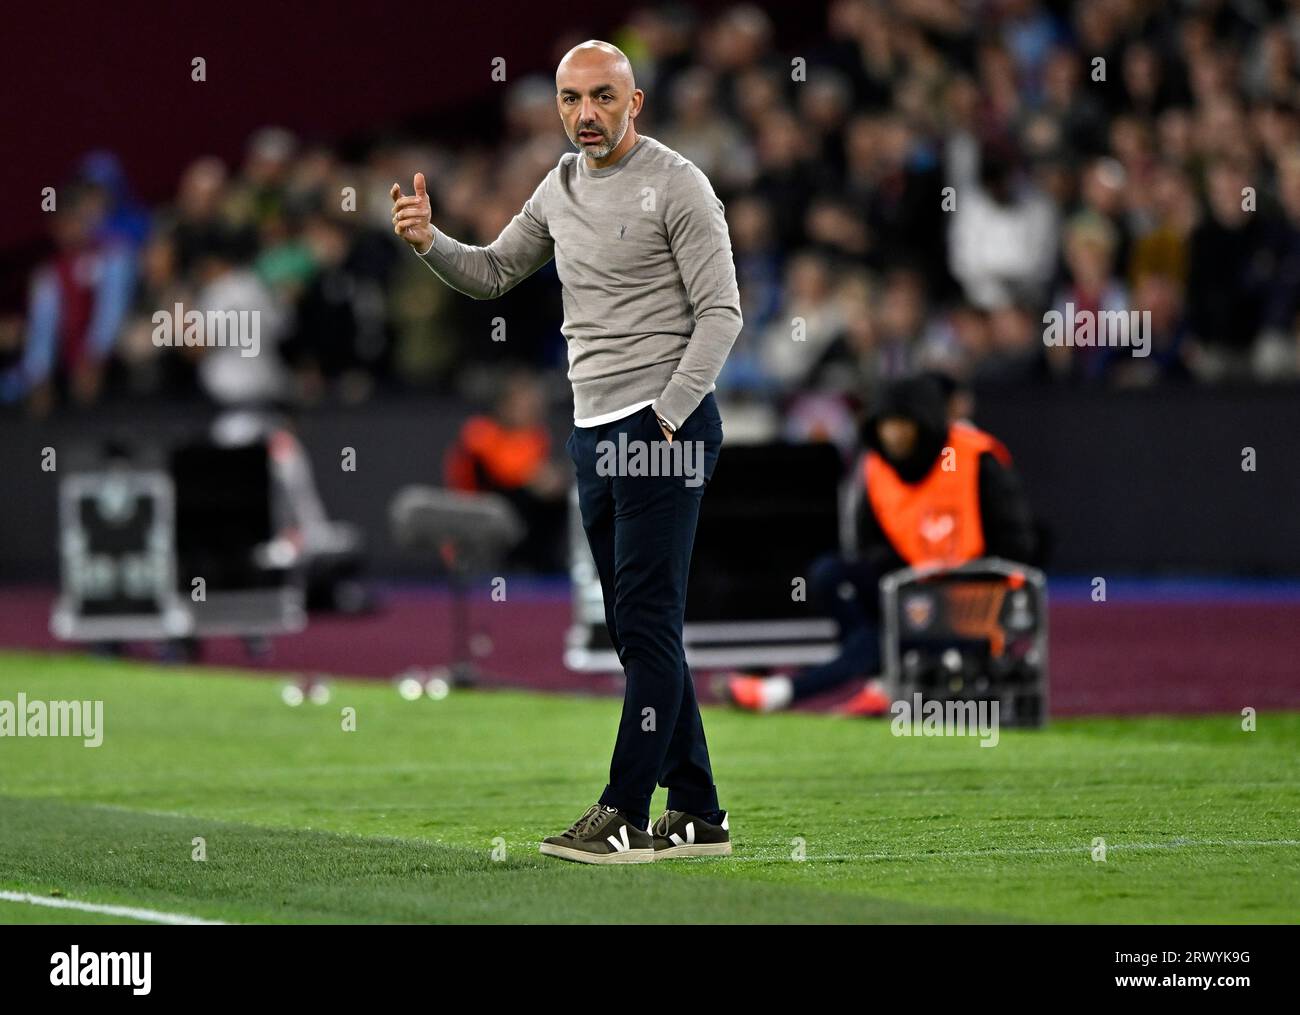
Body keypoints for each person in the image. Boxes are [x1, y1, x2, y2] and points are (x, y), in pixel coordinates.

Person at [391, 40, 742, 863]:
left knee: (646, 624)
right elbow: (491, 274)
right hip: (592, 432)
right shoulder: (558, 185)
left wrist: (669, 414)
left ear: (636, 102)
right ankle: (696, 812)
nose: (585, 114)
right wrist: (428, 242)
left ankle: (624, 808)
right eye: (571, 99)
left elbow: (721, 312)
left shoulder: (679, 184)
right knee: (636, 627)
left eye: (602, 98)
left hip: (660, 431)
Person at [727, 374, 1037, 716]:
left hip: (975, 600)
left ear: (926, 424)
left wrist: (957, 585)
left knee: (892, 633)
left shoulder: (977, 458)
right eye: (887, 425)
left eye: (904, 424)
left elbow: (1017, 546)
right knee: (831, 574)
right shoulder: (877, 466)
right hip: (909, 593)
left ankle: (785, 690)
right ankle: (882, 676)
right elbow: (870, 548)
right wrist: (906, 581)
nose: (894, 434)